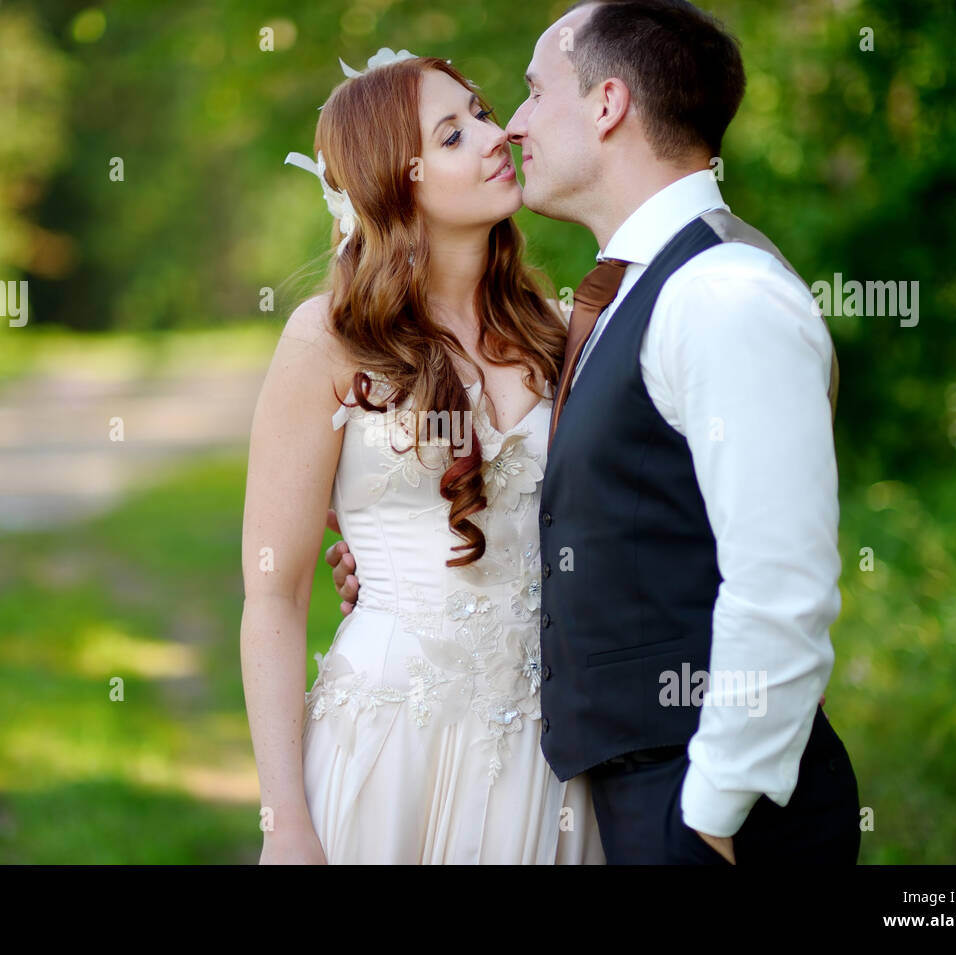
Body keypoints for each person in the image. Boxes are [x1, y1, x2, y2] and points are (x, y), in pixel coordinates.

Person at [327, 0, 861, 864]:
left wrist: (711, 810)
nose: (516, 125)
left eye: (532, 95)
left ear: (608, 104)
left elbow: (783, 585)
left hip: (705, 806)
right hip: (621, 793)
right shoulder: (611, 302)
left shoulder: (722, 292)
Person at [240, 47, 605, 864]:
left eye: (481, 112)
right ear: (396, 182)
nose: (493, 136)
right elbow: (274, 590)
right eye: (453, 133)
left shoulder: (562, 329)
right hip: (389, 737)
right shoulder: (328, 340)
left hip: (545, 749)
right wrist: (283, 818)